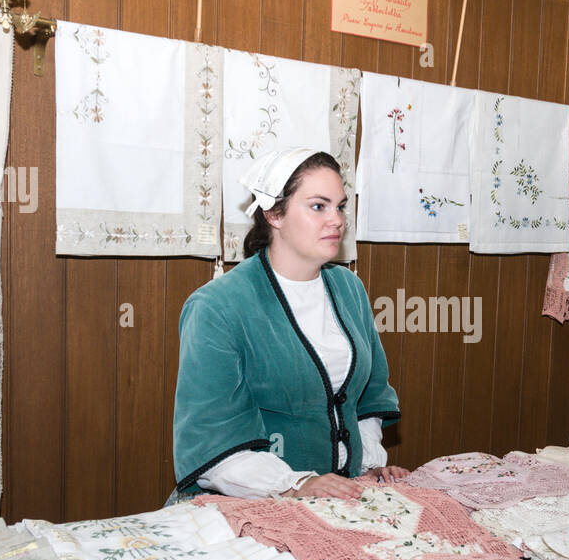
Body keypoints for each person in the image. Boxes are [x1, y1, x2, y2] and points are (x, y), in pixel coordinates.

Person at [172, 147, 409, 500]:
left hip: (338, 494)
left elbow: (366, 395)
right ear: (274, 214)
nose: (337, 220)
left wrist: (368, 465)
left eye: (340, 206)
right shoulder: (218, 306)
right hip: (248, 501)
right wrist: (294, 483)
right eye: (318, 206)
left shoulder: (349, 288)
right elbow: (209, 437)